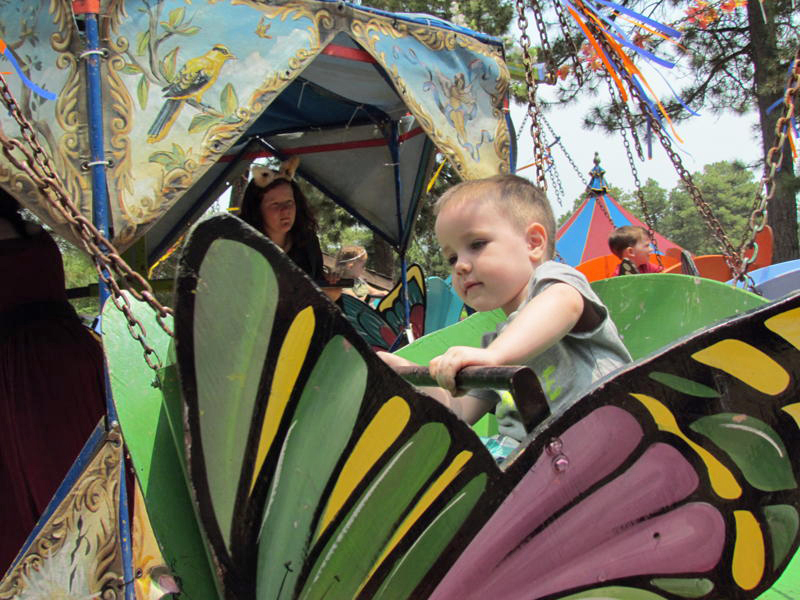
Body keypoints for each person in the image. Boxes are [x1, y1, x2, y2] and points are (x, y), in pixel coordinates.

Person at [380, 174, 631, 460]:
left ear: (533, 243)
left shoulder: (556, 281)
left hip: (605, 442)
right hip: (534, 459)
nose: (460, 265)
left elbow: (564, 303)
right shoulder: (496, 345)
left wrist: (496, 355)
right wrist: (404, 371)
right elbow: (458, 411)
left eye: (476, 244)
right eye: (451, 258)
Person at [0, 189, 106, 570]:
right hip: (70, 351)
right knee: (88, 462)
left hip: (24, 370)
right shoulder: (34, 232)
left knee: (43, 473)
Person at [239, 157, 324, 281]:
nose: (285, 210)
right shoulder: (242, 248)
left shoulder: (307, 243)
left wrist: (333, 287)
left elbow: (320, 290)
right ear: (257, 209)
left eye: (289, 202)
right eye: (275, 204)